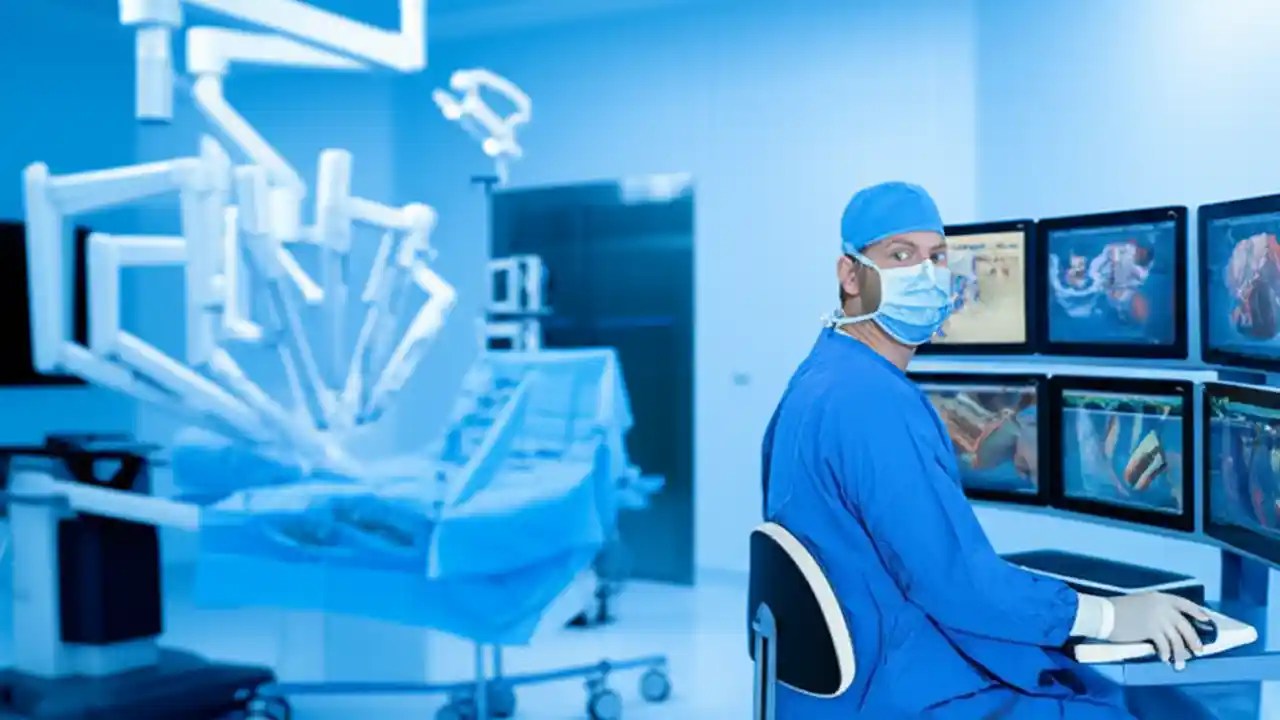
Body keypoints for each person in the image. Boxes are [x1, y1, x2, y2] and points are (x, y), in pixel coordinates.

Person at [760, 181, 1211, 719]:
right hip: (903, 692)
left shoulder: (820, 379)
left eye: (937, 257)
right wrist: (1112, 618)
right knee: (1150, 707)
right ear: (850, 274)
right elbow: (954, 584)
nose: (925, 274)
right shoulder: (870, 402)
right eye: (900, 255)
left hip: (845, 685)